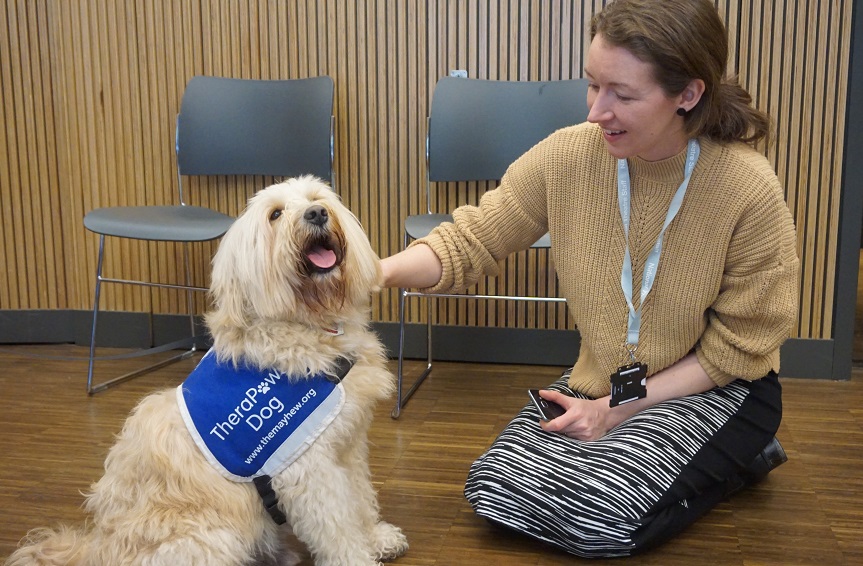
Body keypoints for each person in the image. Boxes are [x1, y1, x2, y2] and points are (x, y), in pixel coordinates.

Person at [381, 0, 799, 558]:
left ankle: (740, 459)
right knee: (493, 491)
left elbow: (739, 348)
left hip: (717, 385)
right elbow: (471, 238)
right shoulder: (568, 157)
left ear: (688, 94)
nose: (597, 111)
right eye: (592, 85)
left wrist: (617, 410)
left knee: (600, 520)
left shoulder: (747, 187)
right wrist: (373, 273)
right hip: (608, 379)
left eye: (622, 94)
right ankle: (641, 458)